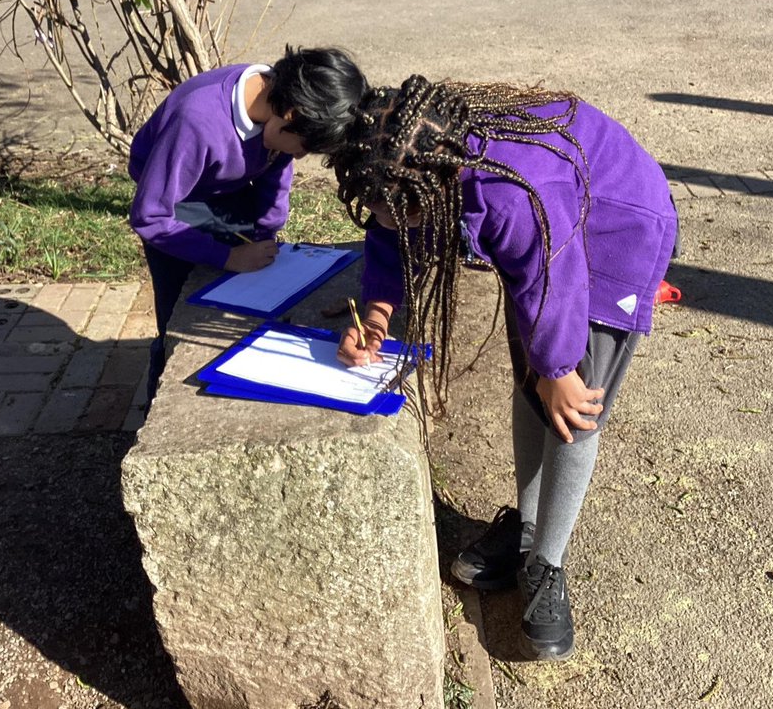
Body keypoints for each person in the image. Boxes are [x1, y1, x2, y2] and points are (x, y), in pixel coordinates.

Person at [328, 75, 677, 661]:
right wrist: (381, 312)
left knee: (573, 409)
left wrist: (561, 368)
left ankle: (548, 561)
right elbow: (391, 236)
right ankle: (525, 529)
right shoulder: (407, 155)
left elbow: (557, 275)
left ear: (437, 186)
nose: (390, 219)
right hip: (554, 230)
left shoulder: (513, 192)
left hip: (616, 230)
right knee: (531, 384)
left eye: (403, 211)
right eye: (382, 208)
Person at [129, 46, 367, 399]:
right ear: (290, 113)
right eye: (302, 145)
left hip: (226, 189)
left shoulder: (279, 104)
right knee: (181, 311)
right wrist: (228, 258)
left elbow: (276, 163)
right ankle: (160, 394)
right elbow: (150, 216)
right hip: (174, 204)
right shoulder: (197, 122)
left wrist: (267, 230)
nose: (299, 155)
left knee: (244, 293)